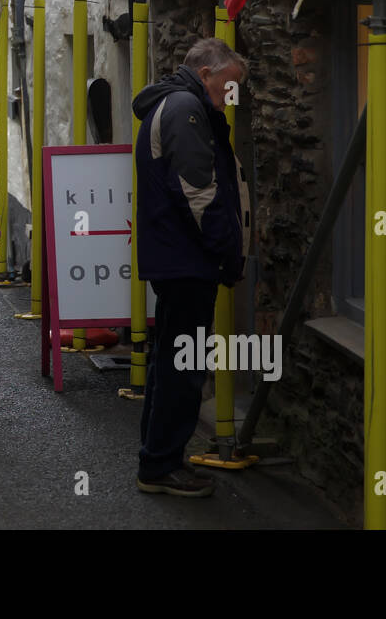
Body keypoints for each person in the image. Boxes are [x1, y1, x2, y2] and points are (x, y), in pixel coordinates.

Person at [132, 37, 247, 497]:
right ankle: (160, 466)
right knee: (183, 365)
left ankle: (158, 455)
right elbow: (199, 192)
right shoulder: (186, 110)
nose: (232, 96)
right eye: (229, 85)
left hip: (176, 258)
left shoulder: (179, 105)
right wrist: (226, 252)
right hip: (187, 261)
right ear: (206, 74)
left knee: (170, 359)